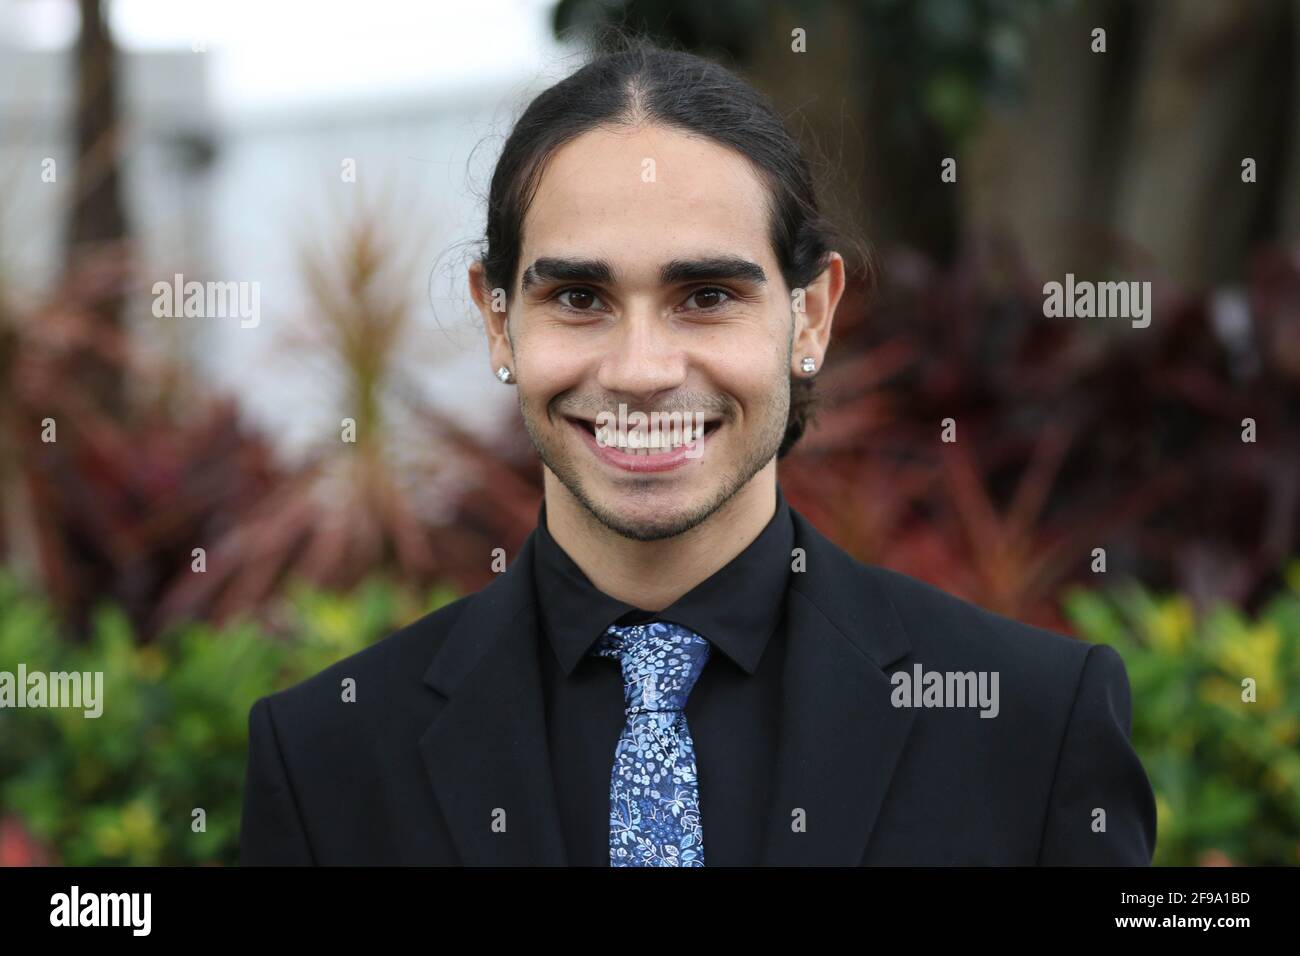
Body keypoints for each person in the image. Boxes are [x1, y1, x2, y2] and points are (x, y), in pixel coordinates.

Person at [239, 39, 1157, 866]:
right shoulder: (329, 757)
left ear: (813, 315)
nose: (642, 370)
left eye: (708, 296)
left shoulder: (1033, 726)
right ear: (497, 319)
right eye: (579, 299)